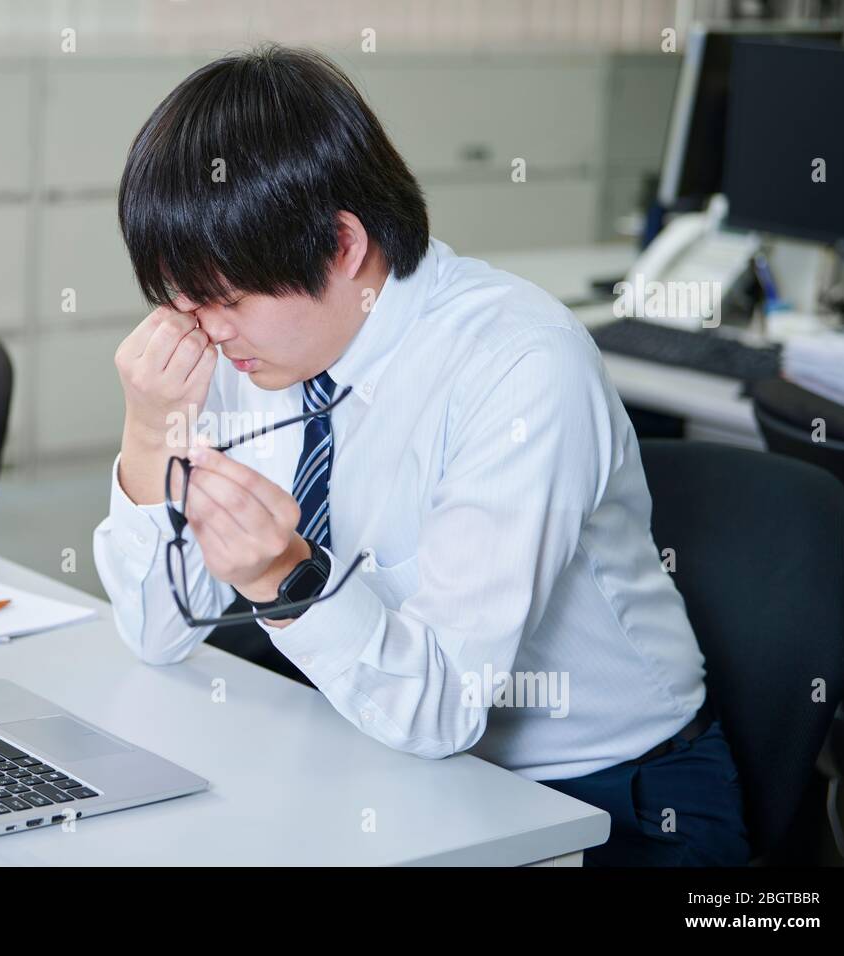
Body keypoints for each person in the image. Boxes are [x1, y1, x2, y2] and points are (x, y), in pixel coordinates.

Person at [92, 44, 748, 866]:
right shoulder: (246, 346)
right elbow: (158, 632)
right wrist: (152, 435)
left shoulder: (516, 364)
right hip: (377, 752)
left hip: (606, 798)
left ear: (342, 246)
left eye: (224, 299)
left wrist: (285, 583)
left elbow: (445, 712)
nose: (204, 331)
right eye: (182, 301)